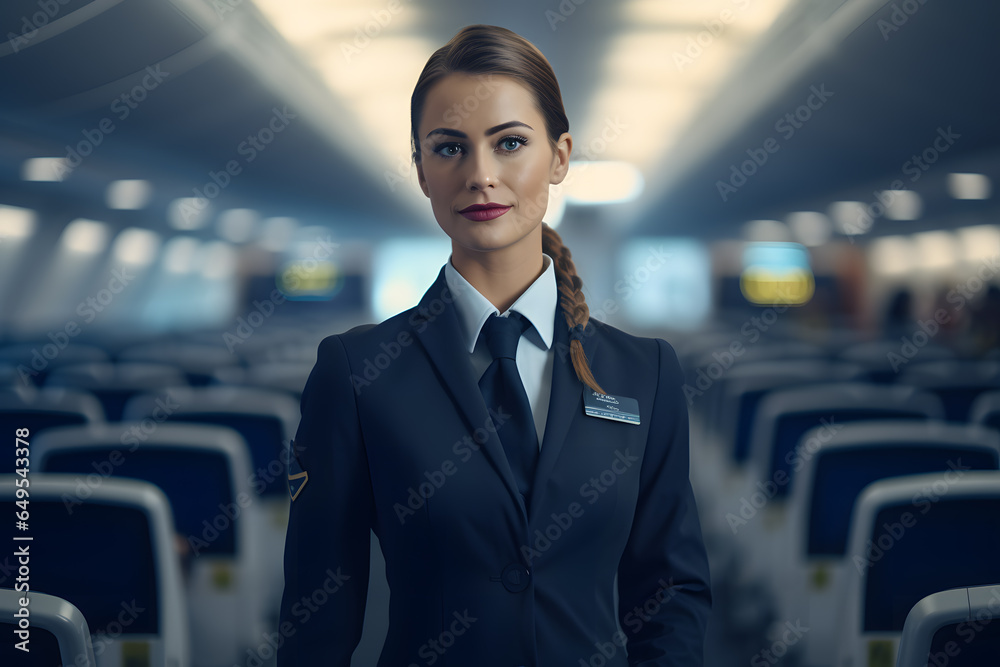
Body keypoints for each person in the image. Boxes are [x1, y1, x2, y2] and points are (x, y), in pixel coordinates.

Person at [278, 24, 711, 666]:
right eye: (450, 148)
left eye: (510, 143)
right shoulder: (356, 372)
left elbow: (671, 592)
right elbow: (318, 612)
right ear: (421, 169)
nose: (481, 176)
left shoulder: (643, 373)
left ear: (560, 156)